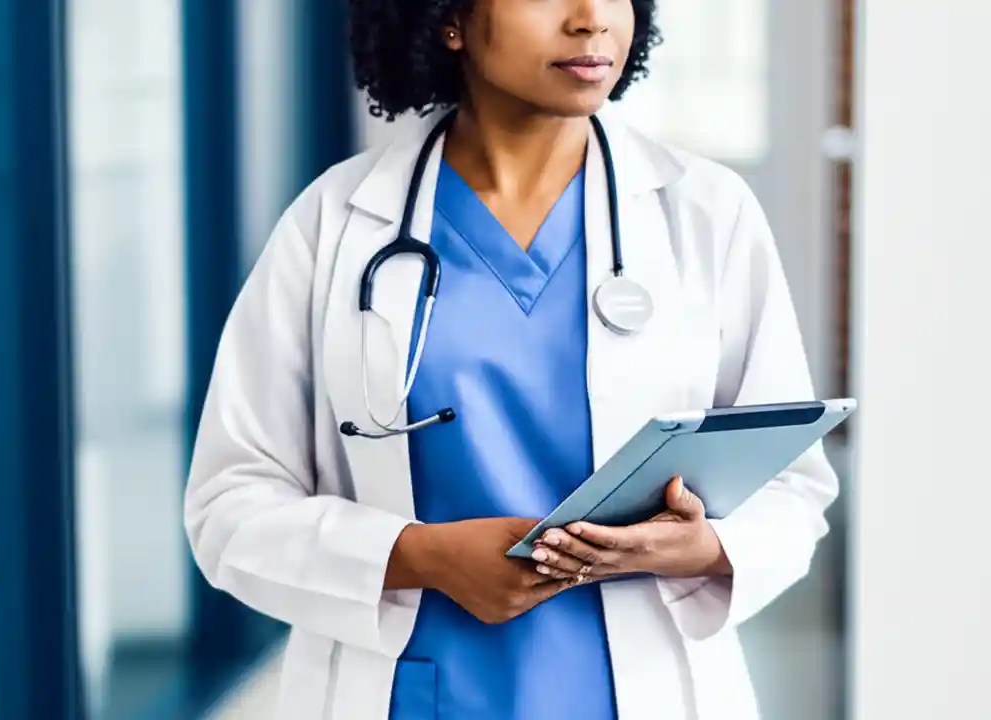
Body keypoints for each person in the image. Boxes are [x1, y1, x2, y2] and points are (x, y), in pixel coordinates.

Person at [184, 1, 839, 718]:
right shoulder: (335, 223)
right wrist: (419, 554)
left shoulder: (705, 212)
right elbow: (230, 507)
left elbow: (793, 489)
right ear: (448, 20)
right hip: (416, 693)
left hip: (638, 688)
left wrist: (705, 545)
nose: (591, 19)